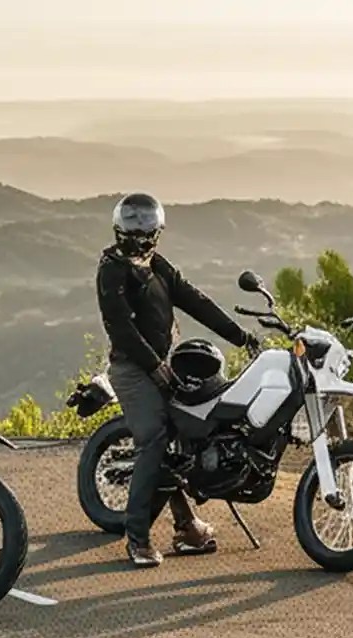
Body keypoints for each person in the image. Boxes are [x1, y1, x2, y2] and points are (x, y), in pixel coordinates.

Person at [95, 192, 260, 568]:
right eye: (132, 224)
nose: (138, 232)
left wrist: (242, 337)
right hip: (133, 370)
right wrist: (155, 367)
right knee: (154, 439)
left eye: (144, 225)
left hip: (165, 363)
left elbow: (195, 300)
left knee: (189, 438)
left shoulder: (157, 265)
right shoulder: (112, 269)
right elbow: (120, 328)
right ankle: (137, 538)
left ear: (155, 231)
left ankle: (188, 527)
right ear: (120, 227)